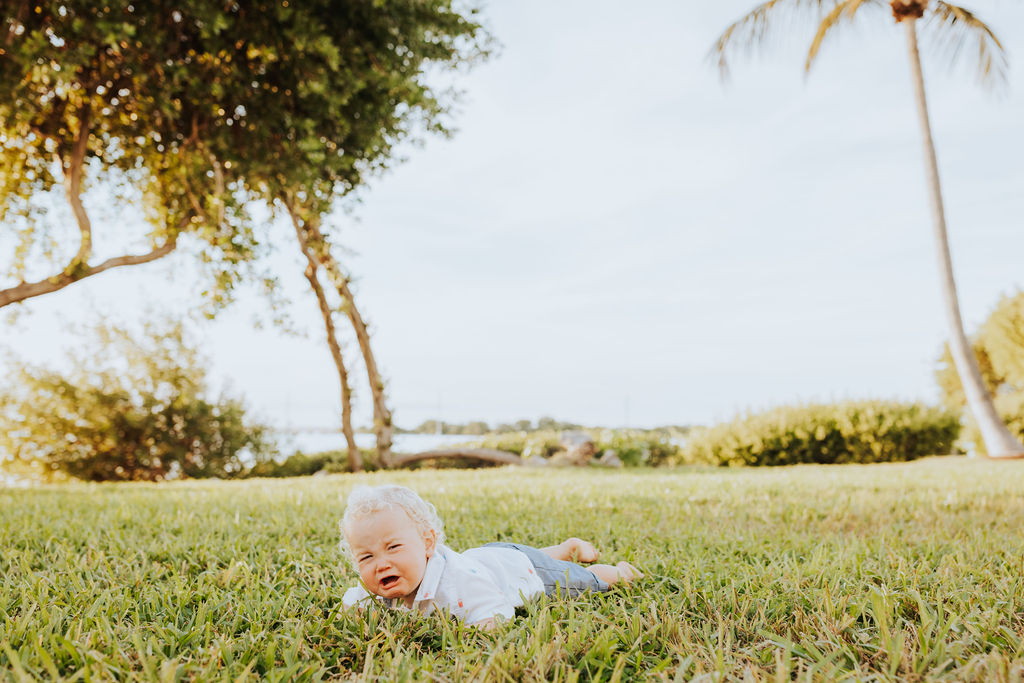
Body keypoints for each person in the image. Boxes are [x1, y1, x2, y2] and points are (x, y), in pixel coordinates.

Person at [339, 484, 643, 629]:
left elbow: (497, 612)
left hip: (524, 571)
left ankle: (617, 572)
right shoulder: (379, 582)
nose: (381, 563)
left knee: (577, 580)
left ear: (427, 543)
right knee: (536, 556)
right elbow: (356, 600)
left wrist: (485, 626)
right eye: (366, 557)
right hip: (492, 558)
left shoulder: (458, 585)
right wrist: (348, 613)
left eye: (393, 548)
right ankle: (567, 549)